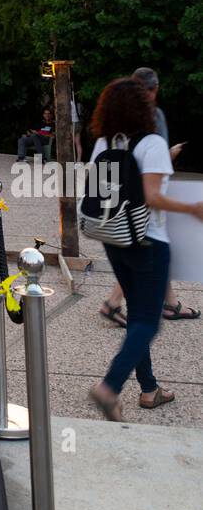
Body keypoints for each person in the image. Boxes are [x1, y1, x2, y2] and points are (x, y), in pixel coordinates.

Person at [88, 77, 203, 420]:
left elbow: (102, 190)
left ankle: (149, 389)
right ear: (143, 108)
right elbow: (152, 197)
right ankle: (109, 387)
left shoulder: (103, 143)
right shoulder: (152, 144)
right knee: (148, 322)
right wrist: (193, 209)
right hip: (148, 240)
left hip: (113, 237)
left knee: (137, 312)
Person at [99, 67, 199, 327]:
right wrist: (171, 155)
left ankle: (170, 302)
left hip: (117, 199)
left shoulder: (115, 118)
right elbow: (154, 162)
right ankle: (113, 302)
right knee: (146, 249)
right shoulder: (154, 116)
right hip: (143, 199)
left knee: (149, 251)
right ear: (155, 89)